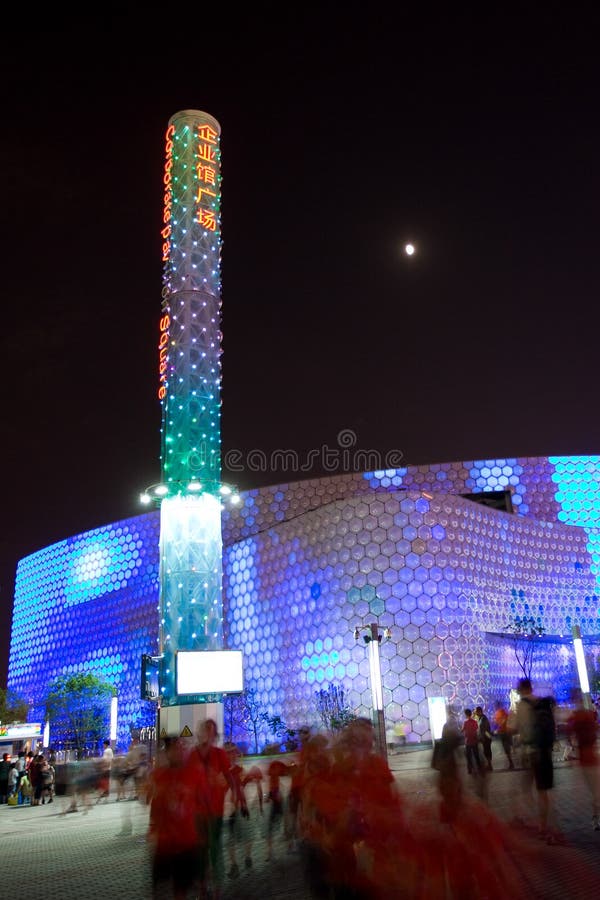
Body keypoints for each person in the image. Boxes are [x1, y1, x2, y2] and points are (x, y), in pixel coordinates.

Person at [186, 718, 245, 899]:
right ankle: (203, 888)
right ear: (201, 733)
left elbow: (229, 776)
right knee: (201, 850)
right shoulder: (193, 755)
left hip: (215, 811)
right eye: (207, 730)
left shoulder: (219, 754)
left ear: (215, 735)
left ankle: (217, 889)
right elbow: (186, 781)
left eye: (212, 731)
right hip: (198, 811)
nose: (209, 734)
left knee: (215, 849)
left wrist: (234, 794)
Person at [147, 737, 210, 900]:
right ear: (167, 752)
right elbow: (155, 805)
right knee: (160, 889)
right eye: (175, 749)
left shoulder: (195, 774)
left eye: (182, 748)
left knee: (181, 889)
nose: (179, 752)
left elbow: (202, 805)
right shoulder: (159, 775)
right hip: (164, 844)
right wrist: (152, 829)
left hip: (187, 842)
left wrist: (203, 835)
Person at [566, 689, 600, 830]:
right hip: (590, 758)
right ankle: (595, 819)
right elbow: (593, 734)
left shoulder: (575, 717)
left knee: (596, 791)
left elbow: (570, 736)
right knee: (596, 791)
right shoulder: (585, 715)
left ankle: (596, 818)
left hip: (586, 758)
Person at [493, 700, 515, 769]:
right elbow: (498, 721)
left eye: (495, 705)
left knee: (506, 747)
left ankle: (511, 762)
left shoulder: (501, 712)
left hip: (504, 732)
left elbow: (504, 720)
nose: (494, 707)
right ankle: (511, 761)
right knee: (506, 747)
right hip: (503, 732)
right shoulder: (499, 712)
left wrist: (499, 726)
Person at [462, 709, 483, 775]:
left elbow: (462, 730)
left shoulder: (465, 722)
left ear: (466, 714)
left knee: (469, 757)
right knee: (476, 755)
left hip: (468, 741)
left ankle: (470, 769)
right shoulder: (474, 722)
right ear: (471, 714)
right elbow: (477, 730)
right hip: (474, 741)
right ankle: (479, 768)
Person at [475, 706, 493, 771]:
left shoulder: (483, 718)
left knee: (487, 750)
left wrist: (482, 737)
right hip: (485, 737)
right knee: (486, 750)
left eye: (476, 712)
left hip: (486, 737)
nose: (476, 713)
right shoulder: (481, 718)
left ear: (480, 711)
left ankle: (489, 765)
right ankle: (489, 764)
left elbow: (484, 729)